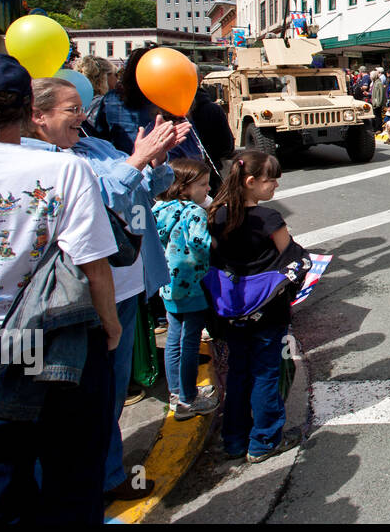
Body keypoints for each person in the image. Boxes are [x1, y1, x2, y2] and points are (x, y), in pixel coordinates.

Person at [0, 52, 120, 523]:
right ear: (26, 110)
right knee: (74, 478)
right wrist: (111, 327)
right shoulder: (66, 170)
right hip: (65, 340)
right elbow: (94, 266)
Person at [22, 76, 185, 500]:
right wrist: (136, 161)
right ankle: (56, 488)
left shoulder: (92, 147)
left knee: (110, 394)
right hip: (76, 298)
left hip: (125, 286)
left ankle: (108, 475)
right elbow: (94, 200)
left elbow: (147, 192)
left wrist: (155, 159)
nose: (83, 116)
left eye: (81, 108)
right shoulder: (33, 160)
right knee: (65, 402)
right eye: (72, 109)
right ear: (37, 116)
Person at [208, 150, 301, 462]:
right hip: (267, 310)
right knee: (265, 373)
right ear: (250, 181)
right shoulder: (270, 219)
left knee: (238, 372)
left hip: (231, 309)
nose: (275, 185)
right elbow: (291, 256)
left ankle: (233, 439)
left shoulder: (217, 216)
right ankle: (264, 441)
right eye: (270, 179)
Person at [154, 158, 218, 419]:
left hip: (168, 286)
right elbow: (202, 244)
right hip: (191, 287)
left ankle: (176, 392)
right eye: (202, 185)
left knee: (174, 340)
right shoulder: (194, 213)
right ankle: (188, 399)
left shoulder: (161, 209)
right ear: (183, 187)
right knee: (189, 342)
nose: (208, 189)